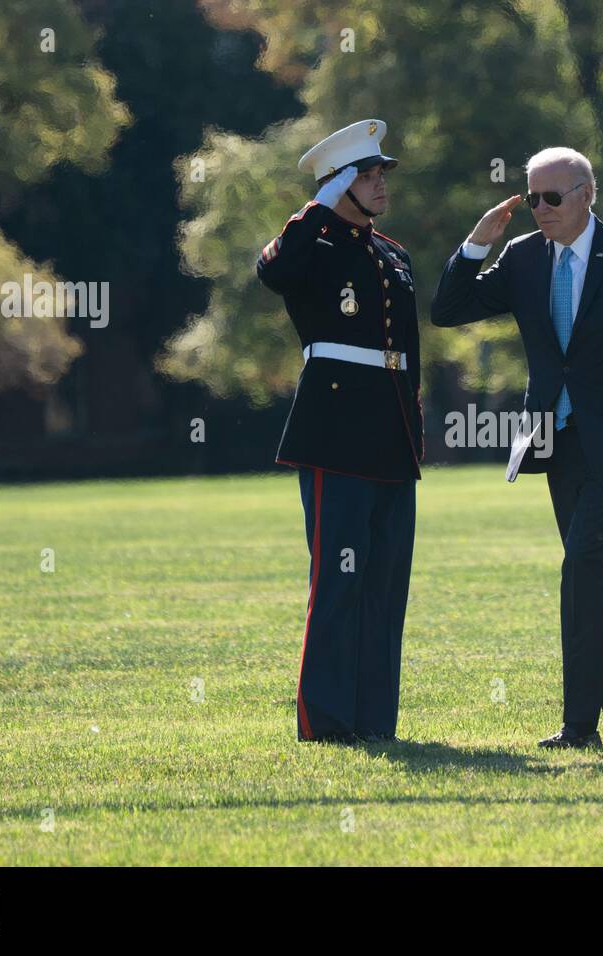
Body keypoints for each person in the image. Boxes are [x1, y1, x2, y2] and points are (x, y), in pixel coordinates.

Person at [431, 147, 603, 748]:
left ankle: (578, 726)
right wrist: (477, 244)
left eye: (552, 197)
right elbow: (448, 310)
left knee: (582, 563)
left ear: (587, 194)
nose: (539, 209)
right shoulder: (522, 257)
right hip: (555, 443)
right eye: (531, 198)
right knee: (596, 574)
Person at [256, 119, 422, 743]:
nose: (382, 185)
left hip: (391, 435)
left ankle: (375, 721)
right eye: (368, 176)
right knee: (339, 580)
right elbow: (272, 271)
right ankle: (325, 721)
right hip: (336, 434)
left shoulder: (392, 255)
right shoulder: (313, 244)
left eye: (381, 174)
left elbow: (406, 353)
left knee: (384, 585)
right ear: (341, 184)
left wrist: (415, 436)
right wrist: (319, 206)